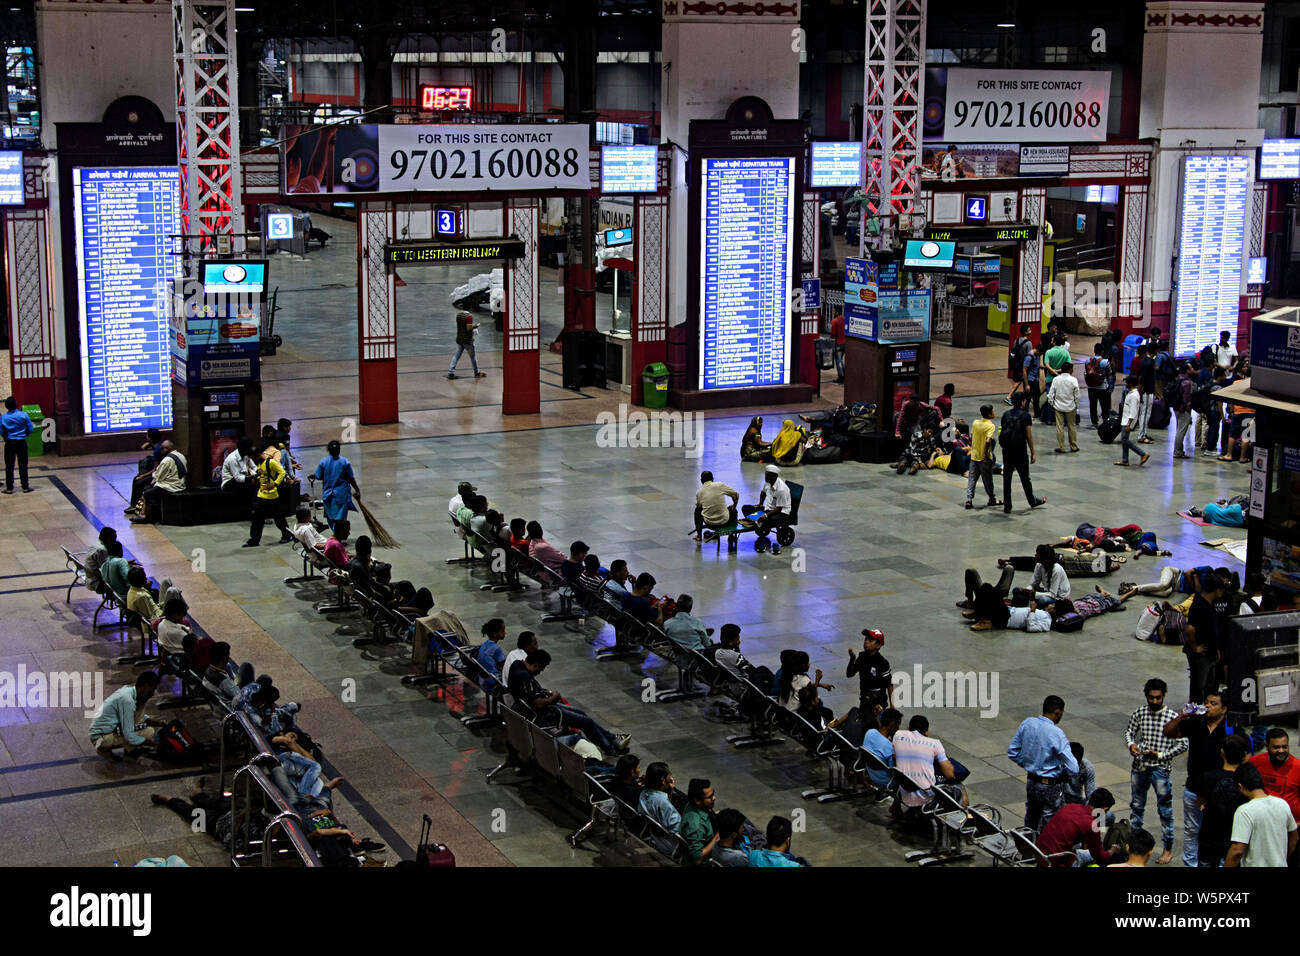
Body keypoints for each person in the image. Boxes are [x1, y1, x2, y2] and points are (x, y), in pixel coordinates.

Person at [507, 649, 630, 755]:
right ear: (536, 665)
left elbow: (530, 693)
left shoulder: (517, 665)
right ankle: (610, 748)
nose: (540, 672)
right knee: (585, 722)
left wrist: (545, 693)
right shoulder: (524, 676)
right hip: (544, 714)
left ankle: (612, 738)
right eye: (541, 669)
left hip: (542, 708)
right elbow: (538, 703)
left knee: (580, 712)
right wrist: (553, 697)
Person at [1124, 678, 1187, 864]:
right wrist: (1132, 745)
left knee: (1165, 809)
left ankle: (1167, 848)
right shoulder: (1140, 713)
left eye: (1158, 697)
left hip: (1160, 768)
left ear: (1164, 696)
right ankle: (1135, 847)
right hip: (1140, 766)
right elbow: (1129, 732)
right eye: (1151, 697)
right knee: (1137, 806)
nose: (1154, 701)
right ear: (1146, 696)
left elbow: (1183, 743)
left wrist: (1160, 755)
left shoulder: (1171, 717)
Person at [1162, 688, 1227, 867]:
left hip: (1218, 791)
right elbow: (1169, 732)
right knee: (1192, 829)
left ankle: (1220, 862)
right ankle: (1191, 863)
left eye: (1213, 704)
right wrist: (1181, 716)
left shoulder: (1229, 729)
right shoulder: (1196, 723)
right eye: (1207, 702)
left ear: (1224, 709)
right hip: (1194, 787)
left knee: (1218, 830)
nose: (1207, 706)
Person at [1007, 695, 1080, 833]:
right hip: (1049, 785)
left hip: (1032, 781)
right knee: (1049, 824)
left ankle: (1027, 849)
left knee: (1030, 819)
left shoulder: (1028, 723)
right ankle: (1043, 851)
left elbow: (1013, 751)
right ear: (1058, 712)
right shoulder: (1056, 733)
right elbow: (1074, 767)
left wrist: (1030, 764)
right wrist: (1064, 774)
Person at [1225, 763, 1298, 866]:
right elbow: (1294, 837)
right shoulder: (1282, 804)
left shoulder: (1244, 811)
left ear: (1240, 786)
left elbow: (1237, 851)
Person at [893, 714, 967, 813]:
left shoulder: (897, 735)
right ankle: (964, 818)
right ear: (926, 732)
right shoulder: (935, 744)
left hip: (904, 793)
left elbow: (895, 758)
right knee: (959, 786)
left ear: (908, 728)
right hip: (926, 799)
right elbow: (950, 774)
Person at [1199, 734, 1251, 867]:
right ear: (1244, 755)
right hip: (1237, 839)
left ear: (1222, 752)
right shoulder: (1248, 780)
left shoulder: (1209, 777)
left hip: (1210, 839)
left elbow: (1199, 801)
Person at [89, 670, 163, 760]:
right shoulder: (127, 700)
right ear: (145, 686)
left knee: (149, 731)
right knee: (135, 735)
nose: (152, 694)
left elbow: (138, 718)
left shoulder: (132, 693)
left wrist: (159, 723)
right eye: (152, 690)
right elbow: (129, 735)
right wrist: (154, 744)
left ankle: (130, 750)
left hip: (110, 730)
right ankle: (103, 749)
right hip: (100, 737)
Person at [1037, 789, 1118, 867]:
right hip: (1056, 861)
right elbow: (1100, 856)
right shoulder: (1091, 824)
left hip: (1040, 854)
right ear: (1105, 809)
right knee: (1096, 858)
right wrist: (1112, 851)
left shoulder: (1070, 807)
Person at [998, 392, 1045, 514]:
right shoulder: (1025, 416)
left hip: (1007, 451)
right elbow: (1028, 436)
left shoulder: (1005, 414)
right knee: (1025, 478)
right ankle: (1032, 501)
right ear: (1023, 402)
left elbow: (1002, 431)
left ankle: (1007, 505)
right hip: (1020, 451)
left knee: (1007, 478)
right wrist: (1033, 452)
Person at [1184, 572, 1225, 704]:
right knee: (1198, 686)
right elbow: (1190, 628)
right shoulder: (1199, 605)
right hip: (1201, 655)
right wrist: (1195, 647)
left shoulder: (1208, 602)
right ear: (1217, 590)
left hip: (1210, 653)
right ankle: (1196, 713)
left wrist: (1216, 649)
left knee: (1209, 684)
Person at [1248, 728, 1300, 829]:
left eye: (1284, 747)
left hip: (1293, 828)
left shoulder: (1298, 767)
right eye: (1276, 747)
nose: (1281, 751)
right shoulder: (1255, 763)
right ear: (1267, 746)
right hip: (1263, 825)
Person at [243, 447, 291, 547]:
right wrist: (257, 479)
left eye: (253, 458)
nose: (252, 460)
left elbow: (282, 472)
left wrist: (275, 483)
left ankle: (287, 535)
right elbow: (263, 475)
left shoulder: (271, 462)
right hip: (262, 495)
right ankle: (254, 539)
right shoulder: (260, 463)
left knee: (279, 518)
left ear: (257, 455)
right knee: (257, 519)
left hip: (272, 496)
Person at [130, 441, 188, 523]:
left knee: (148, 492)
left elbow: (158, 476)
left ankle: (146, 516)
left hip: (172, 486)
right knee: (149, 487)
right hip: (181, 484)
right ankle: (142, 511)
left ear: (166, 449)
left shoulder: (167, 460)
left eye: (162, 449)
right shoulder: (180, 455)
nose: (161, 451)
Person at [846, 628, 893, 720]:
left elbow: (889, 684)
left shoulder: (882, 663)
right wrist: (852, 659)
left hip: (878, 701)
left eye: (870, 640)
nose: (866, 642)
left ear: (878, 645)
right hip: (864, 698)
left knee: (875, 724)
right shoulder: (862, 657)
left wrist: (892, 705)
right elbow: (849, 674)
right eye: (865, 639)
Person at [314, 440, 360, 531]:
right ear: (339, 449)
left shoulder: (323, 462)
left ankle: (336, 533)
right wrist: (357, 489)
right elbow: (351, 478)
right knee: (341, 517)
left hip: (328, 495)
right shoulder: (345, 462)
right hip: (341, 495)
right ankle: (339, 536)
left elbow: (318, 476)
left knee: (330, 516)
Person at [637, 762, 681, 855]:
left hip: (652, 835)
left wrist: (669, 792)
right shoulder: (662, 802)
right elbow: (678, 830)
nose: (671, 778)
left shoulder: (643, 793)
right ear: (663, 780)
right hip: (669, 845)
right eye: (669, 776)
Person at [964, 403, 1000, 510]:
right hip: (984, 458)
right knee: (987, 480)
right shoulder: (990, 426)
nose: (994, 412)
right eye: (993, 411)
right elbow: (988, 440)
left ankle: (969, 499)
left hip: (974, 456)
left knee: (972, 479)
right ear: (989, 414)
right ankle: (992, 499)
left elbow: (972, 436)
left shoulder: (975, 423)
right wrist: (985, 454)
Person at [741, 464, 792, 532]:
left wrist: (765, 515)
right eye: (766, 475)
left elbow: (778, 509)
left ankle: (759, 522)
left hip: (781, 513)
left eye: (769, 475)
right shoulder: (767, 483)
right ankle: (758, 522)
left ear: (775, 476)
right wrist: (760, 504)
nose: (766, 477)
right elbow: (763, 493)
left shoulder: (781, 489)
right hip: (769, 509)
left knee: (768, 519)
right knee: (745, 508)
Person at [680, 778, 719, 864]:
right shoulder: (696, 826)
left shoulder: (692, 805)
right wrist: (718, 836)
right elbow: (697, 859)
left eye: (713, 794)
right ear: (697, 801)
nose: (714, 798)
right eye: (710, 797)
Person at [693, 470, 739, 541]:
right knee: (734, 510)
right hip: (725, 521)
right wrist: (734, 505)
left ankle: (699, 535)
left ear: (701, 481)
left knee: (697, 510)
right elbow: (736, 494)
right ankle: (731, 536)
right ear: (712, 479)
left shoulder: (699, 492)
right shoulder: (719, 485)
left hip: (709, 523)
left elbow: (699, 506)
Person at [1115, 374, 1150, 467]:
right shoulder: (1131, 393)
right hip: (1125, 420)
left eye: (1126, 382)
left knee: (1125, 440)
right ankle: (1125, 460)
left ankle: (1143, 454)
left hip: (1128, 421)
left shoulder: (1134, 396)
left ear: (1130, 384)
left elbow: (1133, 411)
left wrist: (1129, 424)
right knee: (1124, 440)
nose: (1125, 383)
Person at [1, 395, 34, 494]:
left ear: (6, 406)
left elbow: (1, 431)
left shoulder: (3, 418)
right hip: (21, 443)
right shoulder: (23, 415)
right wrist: (25, 434)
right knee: (23, 465)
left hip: (10, 443)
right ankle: (25, 487)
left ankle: (9, 488)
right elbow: (31, 428)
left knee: (9, 466)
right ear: (16, 405)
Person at [862, 708, 901, 788]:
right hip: (886, 782)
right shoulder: (889, 747)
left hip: (871, 773)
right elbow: (894, 772)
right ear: (892, 726)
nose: (898, 729)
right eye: (898, 725)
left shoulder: (870, 732)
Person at [1046, 365, 1080, 454]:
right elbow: (1077, 395)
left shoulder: (1056, 379)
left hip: (1058, 406)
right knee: (1072, 426)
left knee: (1059, 427)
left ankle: (1061, 447)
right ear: (1069, 370)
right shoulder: (1073, 380)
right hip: (1070, 406)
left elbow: (1051, 394)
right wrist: (1076, 405)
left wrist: (1052, 404)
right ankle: (1074, 446)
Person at [220, 437, 258, 505]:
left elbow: (254, 467)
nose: (250, 450)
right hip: (229, 483)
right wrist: (252, 477)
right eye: (249, 448)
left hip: (243, 481)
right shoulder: (232, 458)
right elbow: (237, 478)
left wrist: (259, 473)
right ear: (243, 448)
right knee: (247, 487)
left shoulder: (246, 456)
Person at [447, 310, 484, 379]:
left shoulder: (459, 315)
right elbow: (468, 328)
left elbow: (461, 326)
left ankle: (450, 372)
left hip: (460, 338)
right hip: (467, 340)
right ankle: (477, 373)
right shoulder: (469, 316)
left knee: (457, 356)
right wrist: (475, 326)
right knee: (473, 357)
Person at [1085, 343, 1114, 428]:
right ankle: (1105, 421)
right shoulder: (1105, 362)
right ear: (1102, 352)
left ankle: (1094, 422)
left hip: (1091, 386)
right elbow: (1109, 373)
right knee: (1105, 405)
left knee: (1093, 405)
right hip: (1102, 386)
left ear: (1094, 351)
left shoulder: (1088, 360)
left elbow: (1087, 371)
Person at [474, 619, 507, 692]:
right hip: (493, 681)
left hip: (482, 679)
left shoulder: (485, 644)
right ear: (494, 634)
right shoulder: (497, 649)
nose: (505, 633)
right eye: (502, 631)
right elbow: (503, 668)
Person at [1170, 363, 1195, 459]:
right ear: (1187, 370)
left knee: (1179, 430)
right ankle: (1177, 452)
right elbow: (1187, 400)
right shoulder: (1187, 383)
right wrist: (1189, 413)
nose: (1193, 369)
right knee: (1181, 432)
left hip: (1176, 407)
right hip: (1183, 409)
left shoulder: (1177, 379)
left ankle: (1180, 451)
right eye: (1191, 367)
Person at [83, 526, 117, 595]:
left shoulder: (96, 544)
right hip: (97, 582)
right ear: (108, 539)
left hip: (89, 578)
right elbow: (106, 569)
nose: (114, 542)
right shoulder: (102, 550)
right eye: (113, 539)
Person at [1133, 345, 1156, 442]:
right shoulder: (1149, 363)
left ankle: (1144, 433)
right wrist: (1141, 393)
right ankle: (1141, 435)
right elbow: (1142, 379)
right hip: (1146, 391)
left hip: (1146, 391)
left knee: (1145, 413)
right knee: (1145, 413)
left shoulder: (1144, 361)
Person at [830, 312, 846, 383]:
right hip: (845, 343)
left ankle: (841, 376)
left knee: (838, 360)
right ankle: (845, 374)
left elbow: (833, 333)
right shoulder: (845, 319)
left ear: (836, 312)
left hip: (838, 344)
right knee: (841, 359)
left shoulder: (834, 321)